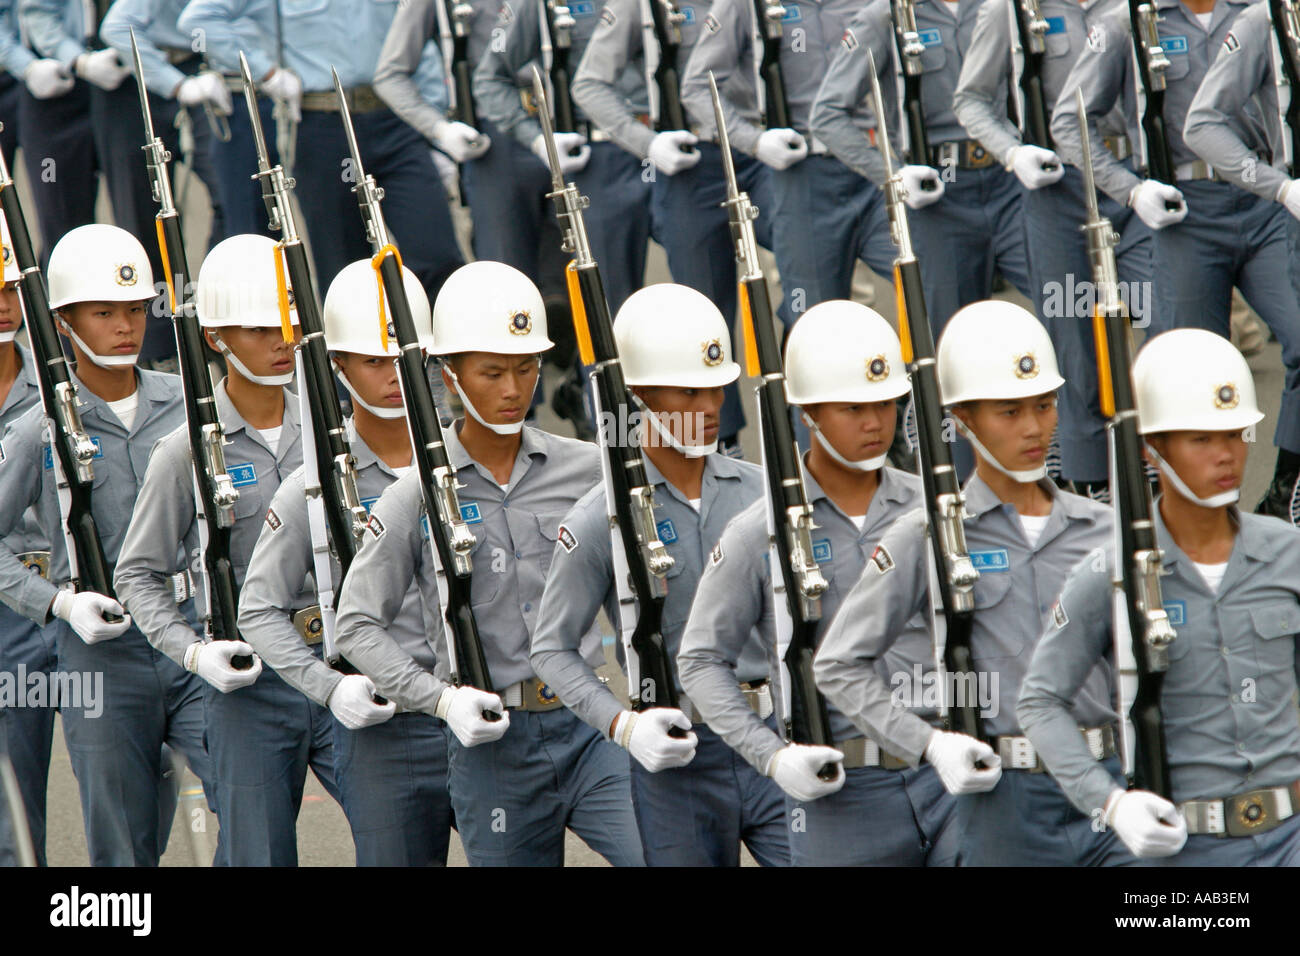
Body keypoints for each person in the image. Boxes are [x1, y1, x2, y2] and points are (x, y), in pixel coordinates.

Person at [336, 260, 642, 866]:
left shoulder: (587, 469)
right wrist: (439, 700)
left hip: (591, 729)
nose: (513, 390)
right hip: (492, 749)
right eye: (493, 372)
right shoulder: (416, 493)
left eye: (526, 369)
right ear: (450, 376)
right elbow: (355, 625)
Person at [814, 300, 1137, 866]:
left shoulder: (1106, 531)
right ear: (962, 419)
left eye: (1044, 405)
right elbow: (838, 665)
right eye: (1009, 412)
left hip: (1111, 790)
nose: (1035, 428)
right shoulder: (927, 537)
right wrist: (928, 744)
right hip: (1004, 803)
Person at [677, 300, 958, 865]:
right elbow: (701, 661)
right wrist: (771, 757)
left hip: (949, 780)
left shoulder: (937, 510)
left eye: (885, 403)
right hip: (841, 795)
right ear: (807, 412)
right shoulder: (759, 531)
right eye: (853, 407)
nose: (876, 423)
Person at [1020, 328, 1300, 864]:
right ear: (1152, 450)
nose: (1227, 456)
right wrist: (1110, 803)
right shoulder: (1111, 571)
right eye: (1201, 439)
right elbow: (1040, 701)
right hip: (1185, 849)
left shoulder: (1288, 552)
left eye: (1236, 435)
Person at [531, 282, 786, 866]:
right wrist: (621, 726)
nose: (707, 410)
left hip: (770, 740)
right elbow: (552, 648)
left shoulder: (759, 493)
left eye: (716, 393)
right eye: (688, 392)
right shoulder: (601, 516)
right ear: (638, 396)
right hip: (675, 758)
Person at [115, 232, 339, 867]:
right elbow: (137, 575)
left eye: (290, 324)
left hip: (341, 665)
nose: (282, 342)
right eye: (260, 328)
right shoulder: (183, 451)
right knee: (257, 857)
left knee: (403, 834)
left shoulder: (333, 435)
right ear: (216, 338)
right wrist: (191, 651)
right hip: (250, 683)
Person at [0, 223, 216, 866]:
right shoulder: (41, 427)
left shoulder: (189, 405)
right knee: (122, 841)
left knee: (244, 795)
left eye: (133, 310)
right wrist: (57, 605)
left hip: (192, 634)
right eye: (103, 313)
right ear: (63, 321)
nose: (125, 326)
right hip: (100, 653)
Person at [238, 259, 455, 867]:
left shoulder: (475, 466)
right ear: (337, 366)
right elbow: (258, 610)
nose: (394, 377)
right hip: (392, 732)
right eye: (372, 362)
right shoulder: (312, 488)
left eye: (403, 359)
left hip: (491, 716)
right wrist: (329, 690)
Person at [1052, 0, 1300, 522]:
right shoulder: (1127, 22)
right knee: (1191, 370)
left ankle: (1285, 488)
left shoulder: (1261, 14)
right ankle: (1195, 516)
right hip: (1185, 212)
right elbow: (1070, 121)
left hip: (1266, 202)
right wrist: (1130, 189)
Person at [952, 0, 1150, 499]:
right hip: (1057, 193)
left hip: (1139, 186)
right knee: (1074, 342)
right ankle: (1090, 485)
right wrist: (1012, 150)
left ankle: (1157, 465)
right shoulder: (1012, 9)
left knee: (1163, 322)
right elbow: (972, 99)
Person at [178, 0, 464, 304]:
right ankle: (361, 352)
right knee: (343, 269)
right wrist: (267, 72)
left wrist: (435, 128)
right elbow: (200, 19)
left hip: (396, 121)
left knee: (436, 255)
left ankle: (445, 350)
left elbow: (421, 46)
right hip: (323, 125)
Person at [811, 0, 1034, 336]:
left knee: (1064, 305)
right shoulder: (883, 17)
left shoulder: (1003, 8)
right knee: (950, 338)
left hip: (1012, 183)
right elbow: (827, 115)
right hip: (939, 198)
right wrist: (893, 174)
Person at [0, 216, 59, 865]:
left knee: (144, 773)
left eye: (12, 288)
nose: (2, 302)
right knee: (16, 808)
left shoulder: (59, 386)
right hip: (5, 610)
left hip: (70, 596)